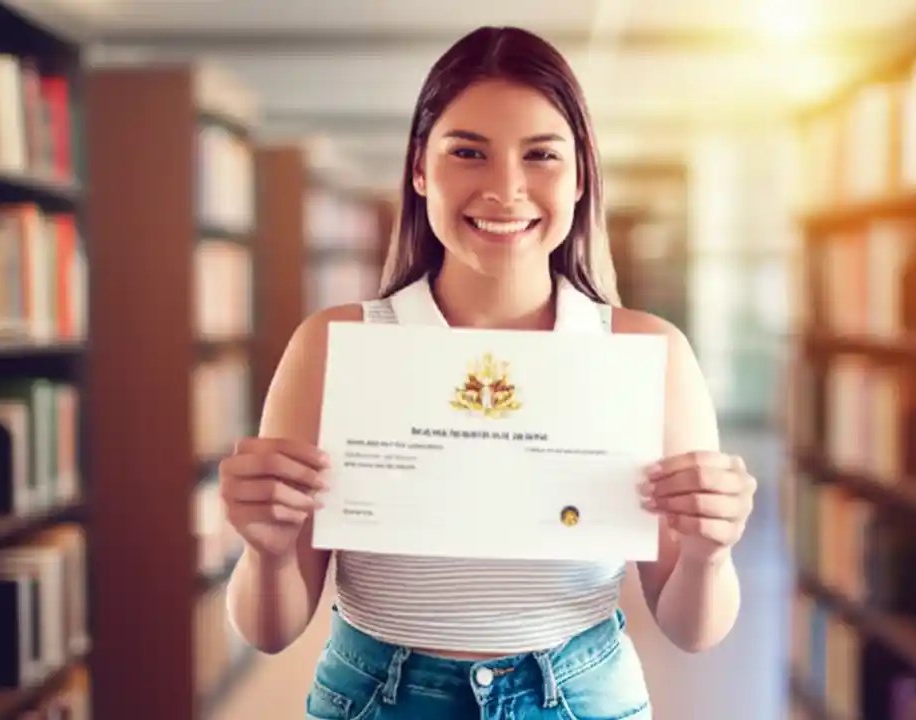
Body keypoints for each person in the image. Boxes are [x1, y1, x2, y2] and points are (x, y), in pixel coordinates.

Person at [220, 25, 758, 719]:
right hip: (380, 696)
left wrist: (712, 553)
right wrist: (263, 552)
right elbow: (268, 632)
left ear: (581, 174)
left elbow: (692, 629)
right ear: (420, 169)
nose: (505, 190)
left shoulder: (645, 355)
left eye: (541, 156)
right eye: (468, 152)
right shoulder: (335, 347)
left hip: (583, 698)